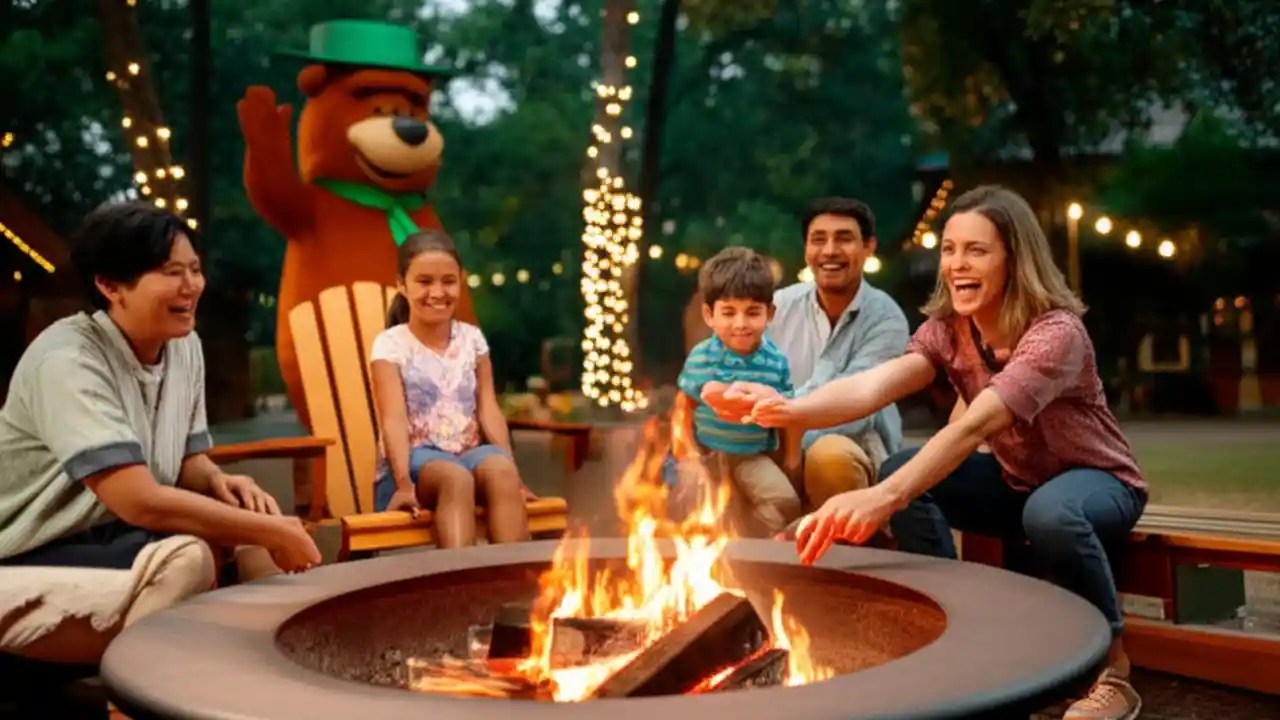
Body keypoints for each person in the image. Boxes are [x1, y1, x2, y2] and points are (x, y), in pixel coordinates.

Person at [741, 185, 1147, 720]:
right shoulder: (950, 330)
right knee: (900, 466)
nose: (956, 263)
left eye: (975, 250)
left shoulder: (1056, 334)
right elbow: (873, 386)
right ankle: (960, 635)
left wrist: (881, 499)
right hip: (1017, 482)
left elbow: (977, 422)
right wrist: (785, 409)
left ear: (1014, 258)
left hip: (1096, 482)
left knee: (1047, 513)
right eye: (949, 249)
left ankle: (1113, 673)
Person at [0, 201, 322, 665]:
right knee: (188, 557)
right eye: (172, 272)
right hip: (32, 549)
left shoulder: (183, 345)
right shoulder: (68, 361)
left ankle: (284, 675)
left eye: (194, 269)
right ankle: (135, 699)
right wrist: (273, 530)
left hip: (111, 536)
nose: (191, 286)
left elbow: (187, 460)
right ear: (110, 286)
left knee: (238, 526)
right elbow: (138, 498)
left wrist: (218, 482)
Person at [369, 230, 531, 548]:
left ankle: (512, 591)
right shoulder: (390, 345)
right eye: (424, 282)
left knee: (500, 472)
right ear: (401, 284)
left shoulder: (472, 340)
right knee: (455, 478)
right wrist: (402, 483)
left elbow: (488, 407)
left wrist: (515, 476)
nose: (438, 292)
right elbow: (393, 419)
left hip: (471, 454)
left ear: (461, 280)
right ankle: (462, 592)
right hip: (415, 462)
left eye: (448, 281)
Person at [762, 197, 909, 514]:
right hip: (775, 441)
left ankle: (847, 552)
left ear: (869, 247)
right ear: (806, 249)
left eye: (844, 238)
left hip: (855, 445)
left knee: (830, 455)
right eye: (819, 239)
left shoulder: (887, 319)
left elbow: (856, 407)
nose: (829, 250)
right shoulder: (777, 308)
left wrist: (785, 439)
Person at [673, 247, 801, 536]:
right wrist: (687, 455)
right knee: (703, 509)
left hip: (752, 455)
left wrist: (792, 459)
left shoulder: (775, 361)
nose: (740, 323)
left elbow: (787, 411)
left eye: (753, 312)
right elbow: (684, 406)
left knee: (785, 502)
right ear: (709, 315)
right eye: (728, 313)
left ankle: (752, 543)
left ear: (769, 314)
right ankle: (717, 555)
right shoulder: (702, 357)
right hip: (708, 455)